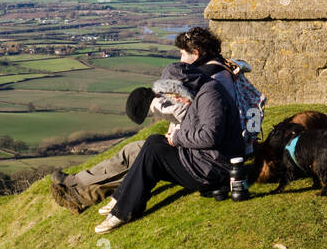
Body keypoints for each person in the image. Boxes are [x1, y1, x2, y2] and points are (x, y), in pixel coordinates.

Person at [94, 57, 244, 232]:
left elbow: (210, 137)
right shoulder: (203, 93)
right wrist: (174, 136)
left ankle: (123, 212)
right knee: (153, 141)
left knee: (154, 151)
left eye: (175, 95)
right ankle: (121, 197)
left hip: (214, 169)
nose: (175, 100)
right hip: (206, 160)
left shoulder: (210, 95)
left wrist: (177, 137)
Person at [48, 62, 202, 214]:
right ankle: (79, 196)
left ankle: (74, 184)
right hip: (182, 144)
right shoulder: (186, 87)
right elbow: (184, 119)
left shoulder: (163, 102)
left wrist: (171, 128)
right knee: (130, 160)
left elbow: (187, 115)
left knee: (128, 159)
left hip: (184, 150)